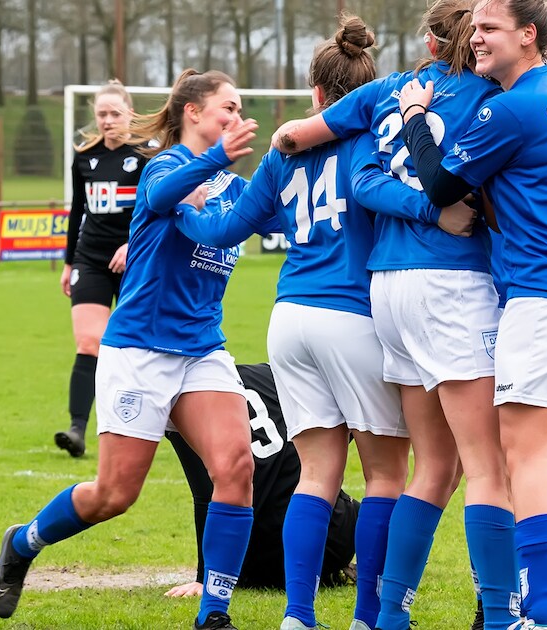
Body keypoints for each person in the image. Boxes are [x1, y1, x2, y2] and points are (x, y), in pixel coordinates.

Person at [173, 16, 481, 630]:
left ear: (317, 95)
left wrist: (180, 216)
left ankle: (298, 617)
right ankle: (370, 617)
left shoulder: (286, 153)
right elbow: (379, 191)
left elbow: (228, 229)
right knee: (389, 473)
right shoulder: (374, 140)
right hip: (353, 316)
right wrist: (436, 210)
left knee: (316, 473)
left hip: (289, 319)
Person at [272, 3, 523, 630]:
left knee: (434, 467)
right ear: (474, 39)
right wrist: (439, 210)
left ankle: (386, 616)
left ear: (430, 41)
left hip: (388, 289)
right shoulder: (492, 95)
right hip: (454, 281)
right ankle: (499, 617)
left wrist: (307, 133)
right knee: (489, 466)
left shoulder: (386, 91)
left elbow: (293, 138)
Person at [0, 69, 262, 630]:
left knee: (235, 467)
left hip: (203, 350)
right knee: (113, 495)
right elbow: (162, 195)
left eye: (239, 110)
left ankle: (215, 615)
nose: (236, 119)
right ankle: (22, 542)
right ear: (193, 112)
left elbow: (278, 211)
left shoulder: (234, 187)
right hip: (139, 349)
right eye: (227, 108)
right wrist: (215, 162)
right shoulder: (164, 166)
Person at [397, 0, 547, 626]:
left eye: (490, 29)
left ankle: (545, 613)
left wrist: (416, 117)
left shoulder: (511, 107)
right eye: (474, 30)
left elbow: (440, 186)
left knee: (525, 457)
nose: (476, 39)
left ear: (530, 36)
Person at [162, 363, 359, 596]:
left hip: (247, 565)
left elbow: (207, 494)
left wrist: (205, 577)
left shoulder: (181, 401)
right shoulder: (273, 374)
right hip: (329, 541)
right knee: (336, 485)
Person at [55, 80, 148, 458]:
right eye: (101, 115)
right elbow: (78, 211)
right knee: (89, 342)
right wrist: (68, 262)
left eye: (115, 114)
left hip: (136, 259)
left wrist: (132, 244)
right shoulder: (84, 156)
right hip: (90, 259)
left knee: (132, 347)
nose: (108, 121)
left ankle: (138, 426)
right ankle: (77, 429)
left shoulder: (147, 155)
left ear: (130, 114)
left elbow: (155, 211)